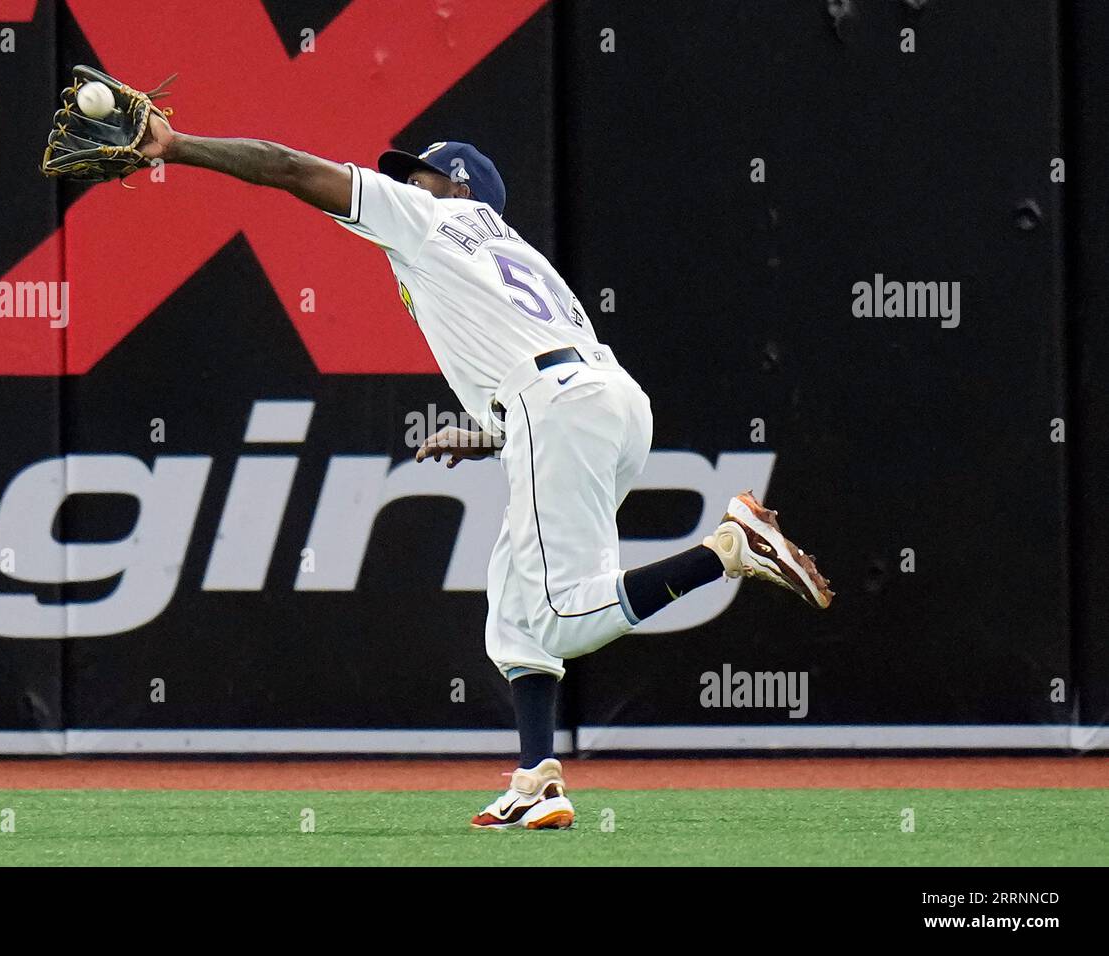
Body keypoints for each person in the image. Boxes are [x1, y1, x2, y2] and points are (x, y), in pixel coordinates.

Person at [137, 117, 833, 830]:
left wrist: (178, 146)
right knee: (513, 617)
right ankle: (538, 781)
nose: (408, 180)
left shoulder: (429, 218)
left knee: (562, 618)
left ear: (457, 186)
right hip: (612, 403)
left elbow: (285, 166)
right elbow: (541, 356)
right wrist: (494, 435)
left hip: (556, 405)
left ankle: (727, 549)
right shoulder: (516, 252)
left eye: (422, 172)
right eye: (407, 174)